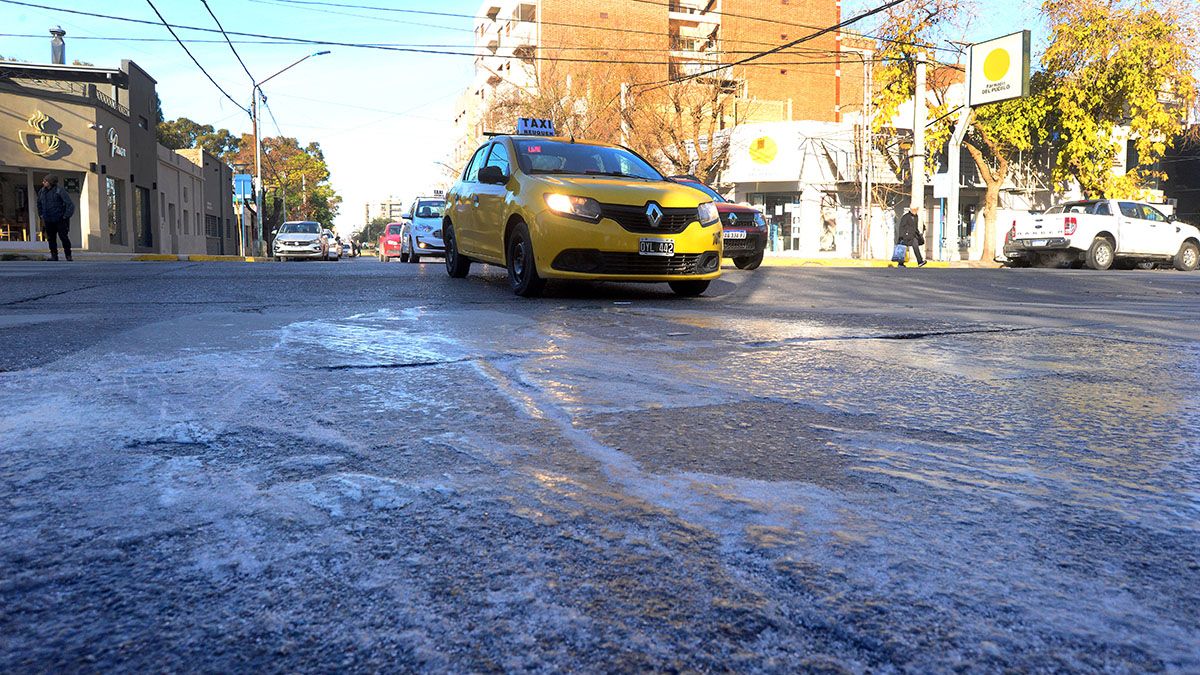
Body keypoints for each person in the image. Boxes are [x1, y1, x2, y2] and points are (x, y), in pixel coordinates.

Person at [36, 174, 75, 261]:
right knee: (51, 238)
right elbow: (39, 203)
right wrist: (41, 214)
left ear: (50, 182)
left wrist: (65, 216)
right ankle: (54, 255)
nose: (43, 182)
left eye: (45, 181)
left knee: (63, 237)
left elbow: (70, 204)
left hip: (59, 218)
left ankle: (68, 255)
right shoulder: (42, 191)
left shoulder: (59, 190)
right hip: (48, 219)